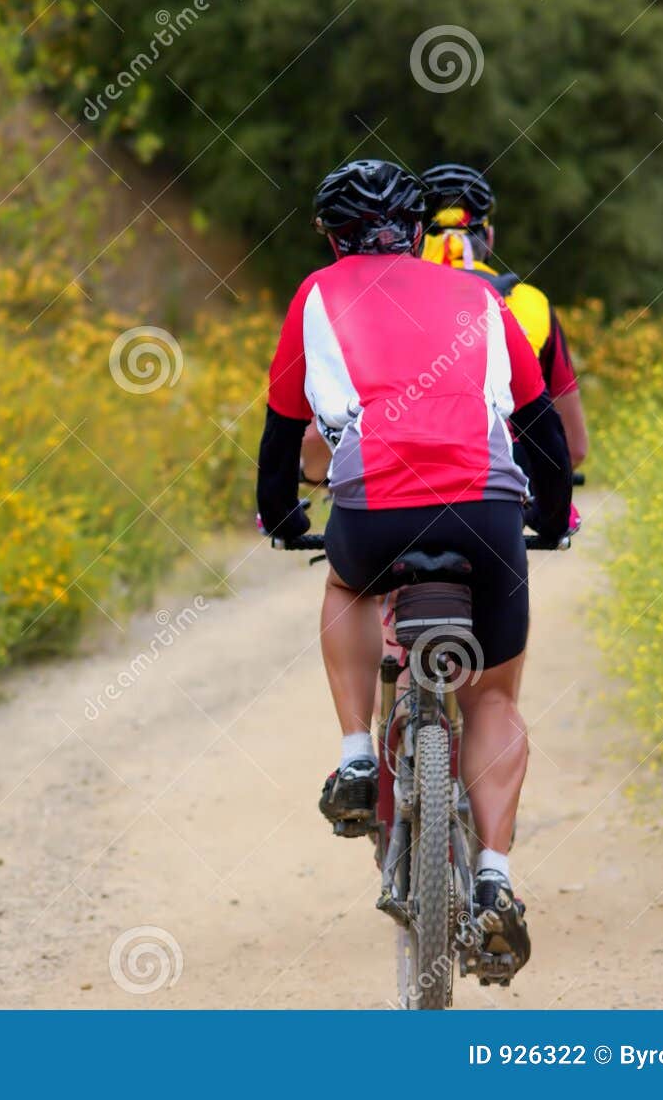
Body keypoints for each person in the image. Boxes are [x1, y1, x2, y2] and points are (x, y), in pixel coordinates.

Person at [255, 159, 574, 974]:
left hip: (373, 504)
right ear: (417, 226)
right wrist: (545, 513)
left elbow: (281, 426)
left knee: (347, 580)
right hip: (487, 507)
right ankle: (495, 878)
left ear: (332, 237)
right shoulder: (485, 299)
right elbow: (539, 422)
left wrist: (287, 517)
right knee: (494, 693)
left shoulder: (315, 295)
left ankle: (357, 753)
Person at [420, 163, 589, 468]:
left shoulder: (389, 305)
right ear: (490, 238)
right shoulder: (531, 302)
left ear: (417, 237)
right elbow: (574, 447)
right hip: (508, 489)